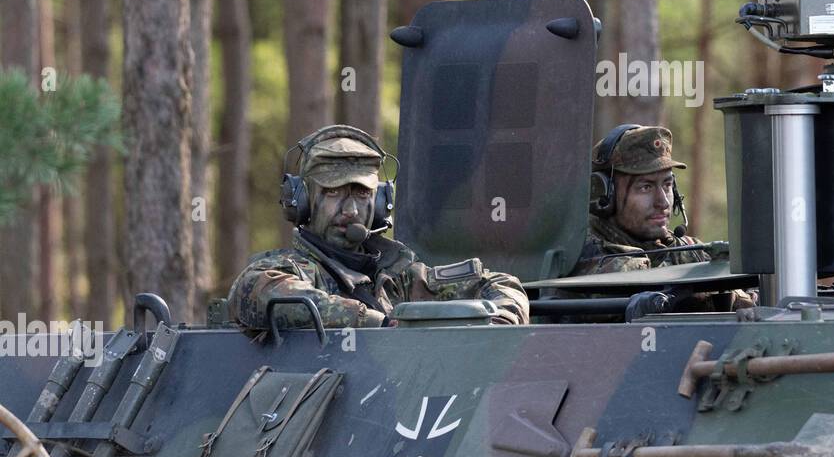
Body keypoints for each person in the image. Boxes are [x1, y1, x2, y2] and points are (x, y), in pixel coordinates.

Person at [227, 125, 528, 330]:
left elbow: (500, 284)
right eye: (333, 193)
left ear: (382, 200)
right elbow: (254, 291)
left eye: (362, 194)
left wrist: (499, 324)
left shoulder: (400, 280)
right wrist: (376, 323)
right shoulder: (292, 271)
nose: (351, 210)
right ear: (303, 200)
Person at [570, 124, 754, 316]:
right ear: (604, 194)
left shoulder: (688, 251)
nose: (663, 202)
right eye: (646, 187)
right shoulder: (578, 255)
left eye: (667, 185)